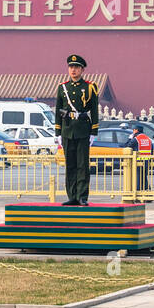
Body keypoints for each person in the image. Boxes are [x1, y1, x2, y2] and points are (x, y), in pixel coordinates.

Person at [54, 53, 99, 206]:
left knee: (82, 165)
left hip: (82, 130)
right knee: (70, 165)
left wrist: (94, 132)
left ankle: (82, 196)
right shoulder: (62, 88)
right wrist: (58, 132)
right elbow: (58, 111)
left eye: (76, 67)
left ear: (82, 70)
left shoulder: (90, 87)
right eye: (71, 67)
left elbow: (94, 110)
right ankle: (72, 196)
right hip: (67, 130)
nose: (73, 70)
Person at [126, 123, 153, 202]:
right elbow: (151, 150)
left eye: (133, 130)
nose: (133, 131)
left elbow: (127, 146)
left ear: (136, 130)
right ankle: (148, 196)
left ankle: (137, 196)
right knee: (144, 178)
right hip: (147, 161)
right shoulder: (148, 139)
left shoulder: (136, 139)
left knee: (138, 178)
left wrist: (130, 138)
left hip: (138, 161)